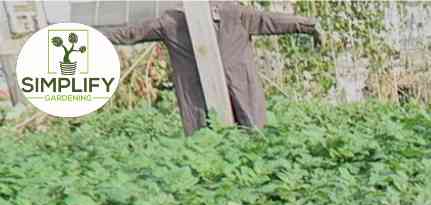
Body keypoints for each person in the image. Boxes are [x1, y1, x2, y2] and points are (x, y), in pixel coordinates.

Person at [97, 1, 322, 135]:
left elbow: (274, 21)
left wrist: (309, 26)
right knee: (213, 148)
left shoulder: (234, 16)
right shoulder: (173, 23)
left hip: (239, 100)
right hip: (203, 105)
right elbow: (128, 33)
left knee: (250, 141)